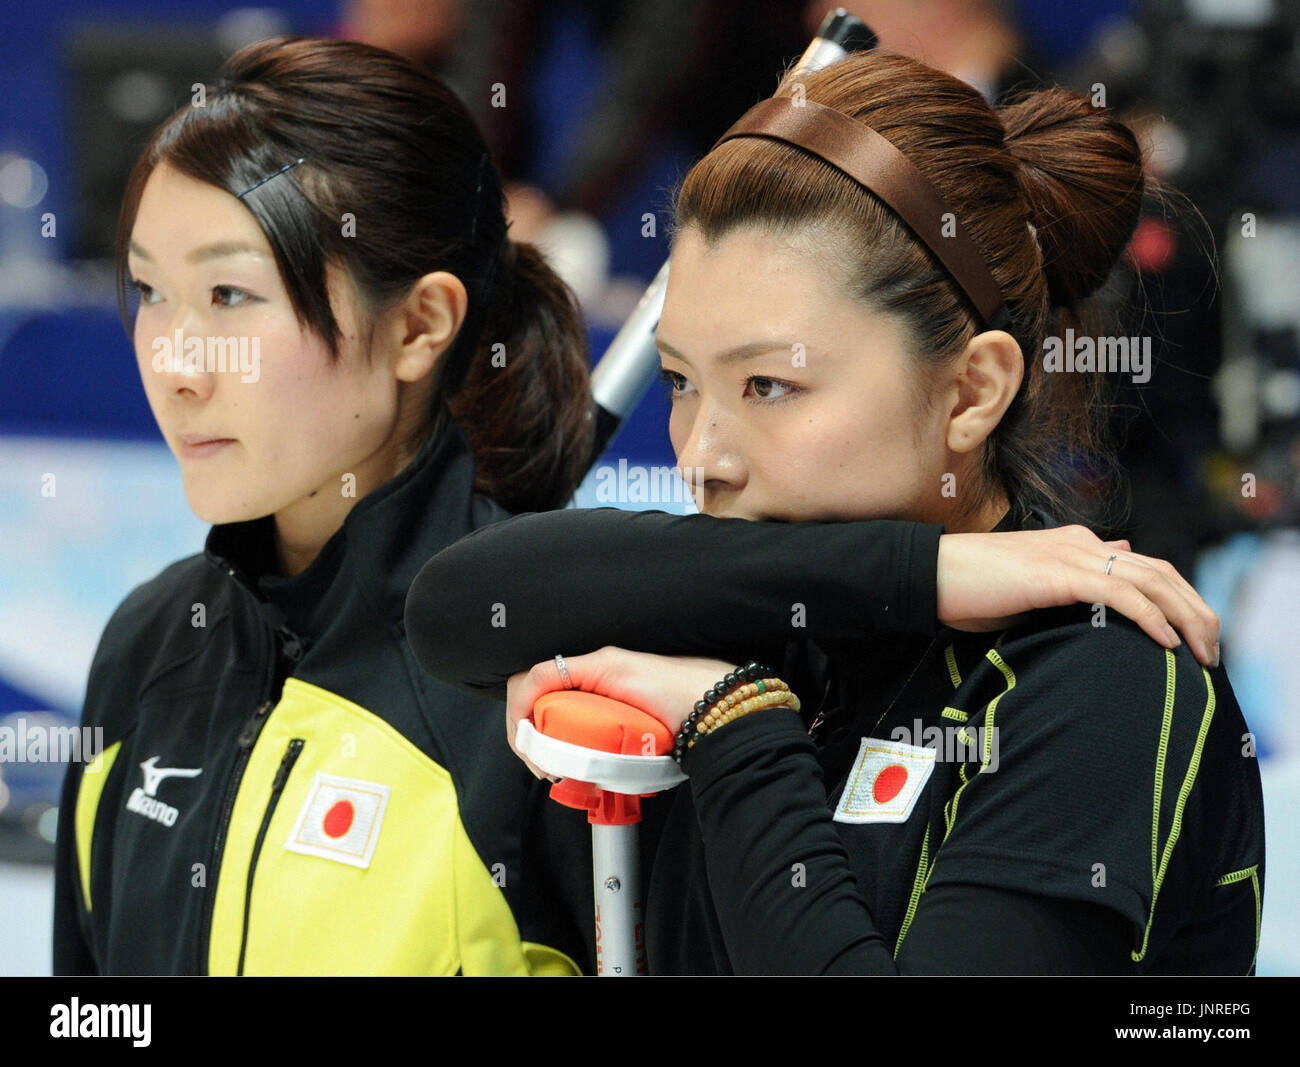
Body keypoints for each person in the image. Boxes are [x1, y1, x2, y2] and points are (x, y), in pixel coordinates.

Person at [405, 50, 1264, 974]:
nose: (702, 458)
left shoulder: (1103, 678)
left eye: (770, 383)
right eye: (682, 382)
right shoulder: (756, 599)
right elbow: (454, 603)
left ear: (973, 391)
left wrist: (733, 728)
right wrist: (916, 575)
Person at [51, 36, 601, 975]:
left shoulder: (554, 686)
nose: (176, 364)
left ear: (419, 325)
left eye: (230, 294)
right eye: (150, 290)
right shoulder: (149, 646)